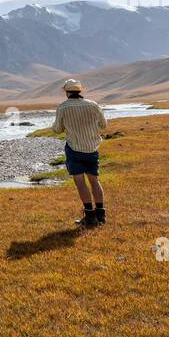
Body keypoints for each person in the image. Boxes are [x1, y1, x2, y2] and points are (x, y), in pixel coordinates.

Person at [51, 79, 107, 227]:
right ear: (79, 90)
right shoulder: (93, 105)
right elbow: (103, 125)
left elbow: (57, 129)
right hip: (92, 149)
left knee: (80, 182)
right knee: (94, 181)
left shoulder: (63, 107)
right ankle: (101, 215)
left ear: (67, 92)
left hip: (74, 148)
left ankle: (89, 217)